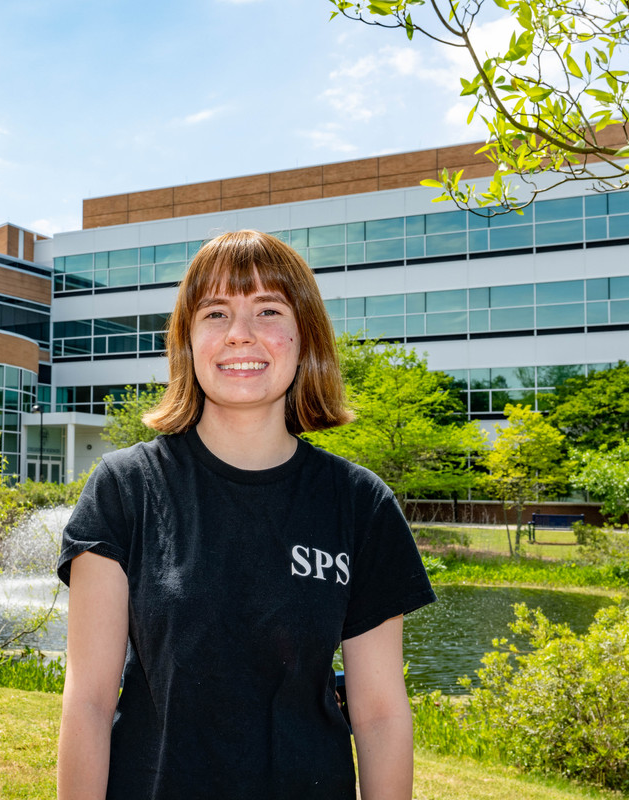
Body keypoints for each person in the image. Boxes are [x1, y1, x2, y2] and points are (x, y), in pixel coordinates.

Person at [56, 230, 436, 800]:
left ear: (304, 336)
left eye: (268, 310)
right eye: (215, 313)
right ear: (187, 339)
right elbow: (87, 702)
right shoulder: (125, 489)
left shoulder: (361, 504)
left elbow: (380, 713)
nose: (240, 335)